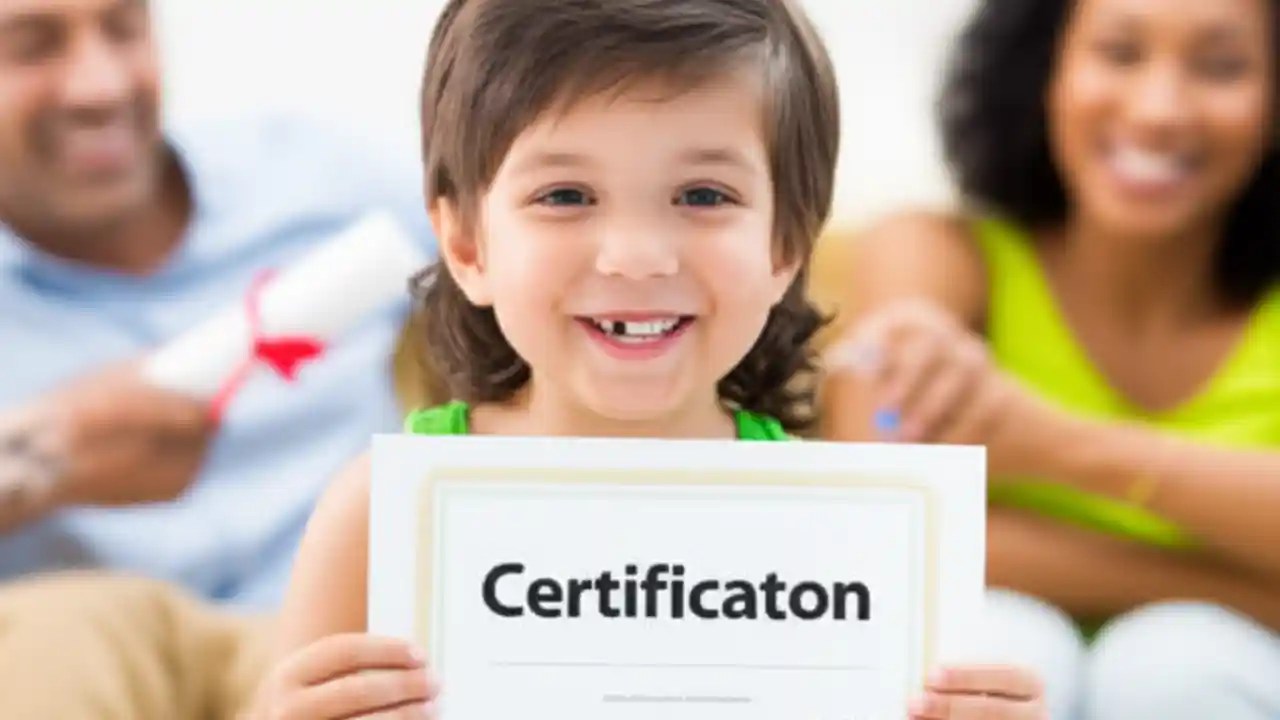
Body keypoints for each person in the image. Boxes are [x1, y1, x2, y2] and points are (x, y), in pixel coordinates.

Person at [247, 2, 1048, 719]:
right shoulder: (380, 516)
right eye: (565, 196)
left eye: (703, 196)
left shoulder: (844, 534)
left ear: (787, 244)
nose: (635, 257)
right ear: (466, 243)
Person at [821, 0, 1280, 718]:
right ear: (1043, 72)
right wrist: (1247, 587)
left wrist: (1043, 442)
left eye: (1221, 67)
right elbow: (883, 528)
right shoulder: (939, 254)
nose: (1160, 109)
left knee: (1181, 667)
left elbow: (939, 537)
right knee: (1006, 647)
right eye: (1120, 54)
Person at [0, 0, 432, 717]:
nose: (100, 86)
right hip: (78, 663)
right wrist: (46, 460)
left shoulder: (314, 183)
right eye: (30, 46)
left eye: (123, 29)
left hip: (331, 628)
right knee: (59, 631)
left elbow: (520, 265)